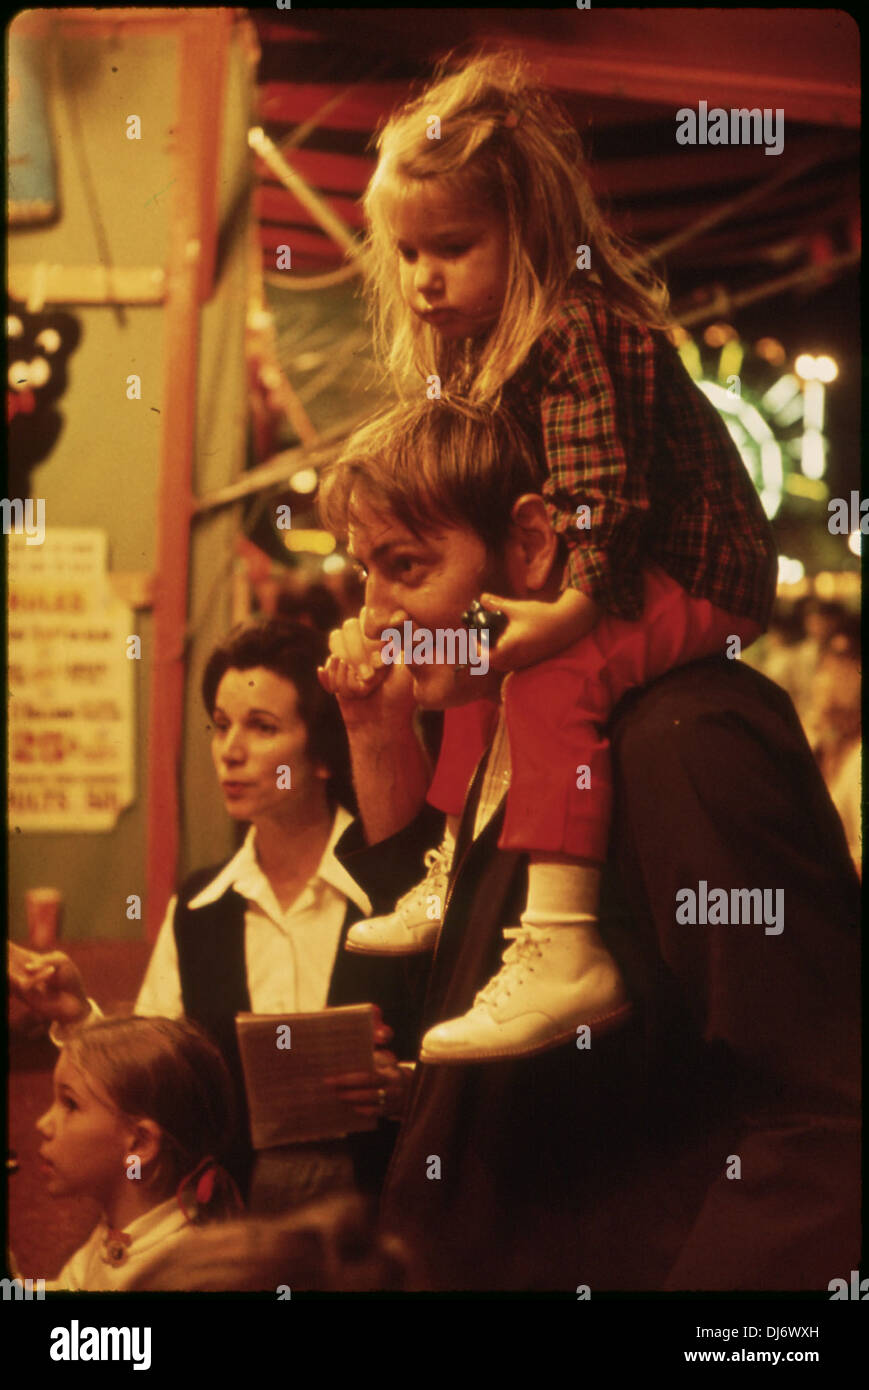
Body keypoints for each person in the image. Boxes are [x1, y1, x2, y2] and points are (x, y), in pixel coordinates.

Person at [317, 397, 860, 1290]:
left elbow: (823, 1116)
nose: (375, 615)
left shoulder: (681, 739)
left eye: (405, 568)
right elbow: (493, 1006)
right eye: (364, 572)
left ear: (531, 545)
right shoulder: (508, 722)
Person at [348, 49, 777, 1061]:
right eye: (406, 255)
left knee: (544, 667)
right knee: (488, 645)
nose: (422, 279)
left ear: (527, 230)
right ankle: (454, 862)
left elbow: (604, 496)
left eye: (450, 247)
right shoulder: (490, 349)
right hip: (610, 567)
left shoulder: (574, 327)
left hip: (691, 567)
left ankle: (563, 939)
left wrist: (573, 612)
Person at [10, 620, 429, 1205]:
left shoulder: (397, 889)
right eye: (223, 725)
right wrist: (79, 1015)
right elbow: (156, 1083)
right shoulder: (201, 906)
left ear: (324, 755)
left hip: (381, 1213)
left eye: (262, 728)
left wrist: (405, 1086)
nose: (230, 751)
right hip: (235, 1211)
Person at [18, 1017, 241, 1290]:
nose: (43, 1124)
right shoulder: (118, 1231)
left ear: (139, 1145)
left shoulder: (176, 1274)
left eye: (70, 1104)